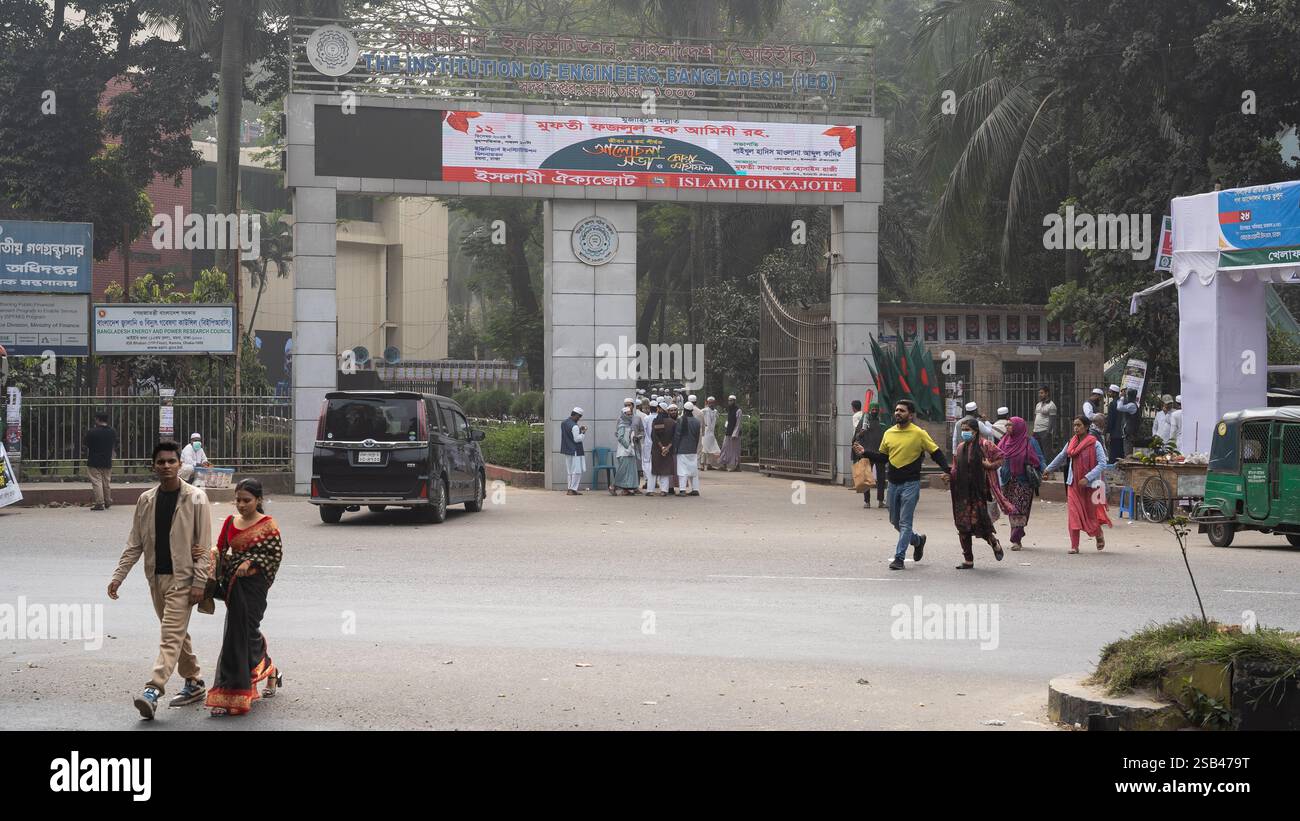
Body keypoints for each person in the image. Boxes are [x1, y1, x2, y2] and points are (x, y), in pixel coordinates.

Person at [107, 441, 213, 719]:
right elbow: (135, 543)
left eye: (171, 461)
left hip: (184, 580)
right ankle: (194, 682)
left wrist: (200, 582)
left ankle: (152, 690)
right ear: (153, 465)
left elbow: (204, 545)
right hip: (156, 579)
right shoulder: (146, 500)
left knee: (169, 637)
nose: (166, 466)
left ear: (180, 464)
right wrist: (119, 576)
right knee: (177, 634)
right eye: (161, 462)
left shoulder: (196, 498)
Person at [206, 478, 284, 717]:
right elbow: (219, 549)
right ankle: (242, 685)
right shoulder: (230, 522)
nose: (241, 505)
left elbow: (274, 556)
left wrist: (251, 561)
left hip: (254, 587)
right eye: (238, 500)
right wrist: (207, 558)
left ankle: (252, 681)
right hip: (233, 586)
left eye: (246, 500)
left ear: (258, 500)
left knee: (245, 634)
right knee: (234, 636)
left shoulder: (268, 525)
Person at [861, 399, 951, 571]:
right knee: (895, 521)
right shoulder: (889, 433)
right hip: (893, 484)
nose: (897, 413)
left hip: (911, 484)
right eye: (896, 410)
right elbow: (883, 457)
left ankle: (899, 558)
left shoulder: (919, 433)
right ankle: (918, 541)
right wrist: (865, 453)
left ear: (911, 415)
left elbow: (936, 452)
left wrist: (947, 469)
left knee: (905, 522)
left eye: (902, 411)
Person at [1044, 416, 1113, 553]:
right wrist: (1048, 469)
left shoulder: (1095, 443)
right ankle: (1074, 546)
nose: (1076, 428)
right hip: (1073, 484)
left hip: (1089, 486)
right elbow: (1062, 456)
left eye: (1079, 425)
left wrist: (1087, 478)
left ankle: (1098, 533)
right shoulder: (1072, 442)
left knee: (1090, 515)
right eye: (1074, 425)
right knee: (1073, 514)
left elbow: (1102, 463)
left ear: (1086, 427)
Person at [950, 418, 1005, 569]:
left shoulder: (985, 445)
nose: (964, 433)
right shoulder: (961, 447)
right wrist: (950, 475)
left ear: (975, 431)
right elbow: (955, 466)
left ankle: (994, 542)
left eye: (967, 430)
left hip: (978, 492)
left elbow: (1001, 457)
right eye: (963, 430)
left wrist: (990, 465)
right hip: (962, 493)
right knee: (963, 526)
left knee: (980, 524)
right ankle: (968, 559)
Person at [998, 417, 1044, 551]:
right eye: (1007, 425)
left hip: (1023, 481)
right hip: (1007, 481)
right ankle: (1018, 531)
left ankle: (1016, 539)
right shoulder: (1005, 441)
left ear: (1018, 427)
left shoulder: (1030, 442)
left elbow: (1039, 459)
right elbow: (996, 455)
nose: (1007, 427)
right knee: (1012, 510)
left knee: (1019, 510)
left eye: (1010, 425)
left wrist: (1044, 470)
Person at [852, 401, 888, 509]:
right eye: (872, 409)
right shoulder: (864, 422)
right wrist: (861, 433)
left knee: (881, 478)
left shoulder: (882, 422)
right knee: (866, 478)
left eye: (876, 410)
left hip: (880, 453)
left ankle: (880, 501)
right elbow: (856, 437)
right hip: (867, 453)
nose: (874, 411)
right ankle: (867, 501)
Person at [84, 411, 117, 511]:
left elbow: (86, 444)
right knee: (106, 482)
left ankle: (99, 503)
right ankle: (107, 501)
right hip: (107, 460)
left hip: (94, 460)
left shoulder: (92, 432)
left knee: (97, 481)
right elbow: (115, 444)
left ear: (97, 419)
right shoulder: (112, 431)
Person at [612, 400, 641, 496]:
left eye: (630, 414)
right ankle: (613, 486)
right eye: (627, 414)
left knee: (629, 471)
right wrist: (627, 446)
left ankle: (626, 489)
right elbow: (620, 437)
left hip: (631, 450)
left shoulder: (630, 423)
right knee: (622, 470)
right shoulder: (621, 424)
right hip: (624, 451)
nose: (629, 416)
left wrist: (636, 439)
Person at [674, 401, 702, 496]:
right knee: (693, 470)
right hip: (692, 449)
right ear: (692, 410)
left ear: (684, 411)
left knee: (682, 471)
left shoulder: (680, 420)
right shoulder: (697, 422)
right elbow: (697, 436)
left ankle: (682, 490)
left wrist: (675, 448)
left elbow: (677, 436)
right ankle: (695, 489)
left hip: (682, 449)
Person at [650, 401, 677, 496]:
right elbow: (675, 437)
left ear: (661, 409)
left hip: (657, 449)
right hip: (668, 451)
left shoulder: (656, 421)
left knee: (654, 470)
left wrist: (661, 447)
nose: (657, 410)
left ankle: (650, 490)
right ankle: (664, 491)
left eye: (658, 408)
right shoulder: (672, 422)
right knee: (665, 471)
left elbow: (654, 436)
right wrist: (667, 448)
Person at [560, 408, 587, 495]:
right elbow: (576, 439)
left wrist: (579, 430)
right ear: (575, 415)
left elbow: (568, 435)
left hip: (567, 449)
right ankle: (573, 489)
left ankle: (570, 489)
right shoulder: (574, 426)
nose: (579, 419)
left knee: (570, 471)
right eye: (579, 417)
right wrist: (583, 433)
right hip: (575, 450)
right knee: (577, 471)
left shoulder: (563, 423)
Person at [1104, 384, 1128, 462]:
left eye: (1110, 392)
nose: (1108, 393)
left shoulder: (1113, 404)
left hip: (1114, 433)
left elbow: (1111, 419)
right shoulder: (1122, 402)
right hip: (1122, 432)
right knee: (1120, 453)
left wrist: (1108, 432)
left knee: (1113, 454)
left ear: (1114, 393)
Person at [720, 394, 742, 471]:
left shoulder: (738, 410)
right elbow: (729, 420)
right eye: (729, 400)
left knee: (735, 450)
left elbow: (738, 423)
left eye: (731, 400)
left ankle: (737, 465)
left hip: (734, 434)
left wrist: (735, 433)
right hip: (728, 432)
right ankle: (724, 464)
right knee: (724, 448)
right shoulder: (729, 409)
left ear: (734, 401)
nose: (730, 402)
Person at [1033, 386, 1057, 458]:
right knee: (1036, 450)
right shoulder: (1038, 404)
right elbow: (1036, 416)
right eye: (1039, 393)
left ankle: (1047, 468)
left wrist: (1048, 432)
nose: (1040, 395)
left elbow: (1052, 420)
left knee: (1046, 452)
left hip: (1044, 431)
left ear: (1047, 393)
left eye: (1042, 393)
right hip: (1036, 431)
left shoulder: (1051, 405)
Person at [700, 396, 722, 469]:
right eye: (710, 403)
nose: (711, 404)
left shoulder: (715, 411)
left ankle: (709, 464)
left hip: (711, 433)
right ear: (707, 403)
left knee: (711, 449)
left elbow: (717, 418)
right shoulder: (704, 410)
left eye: (712, 403)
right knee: (704, 448)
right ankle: (702, 464)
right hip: (705, 432)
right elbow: (699, 415)